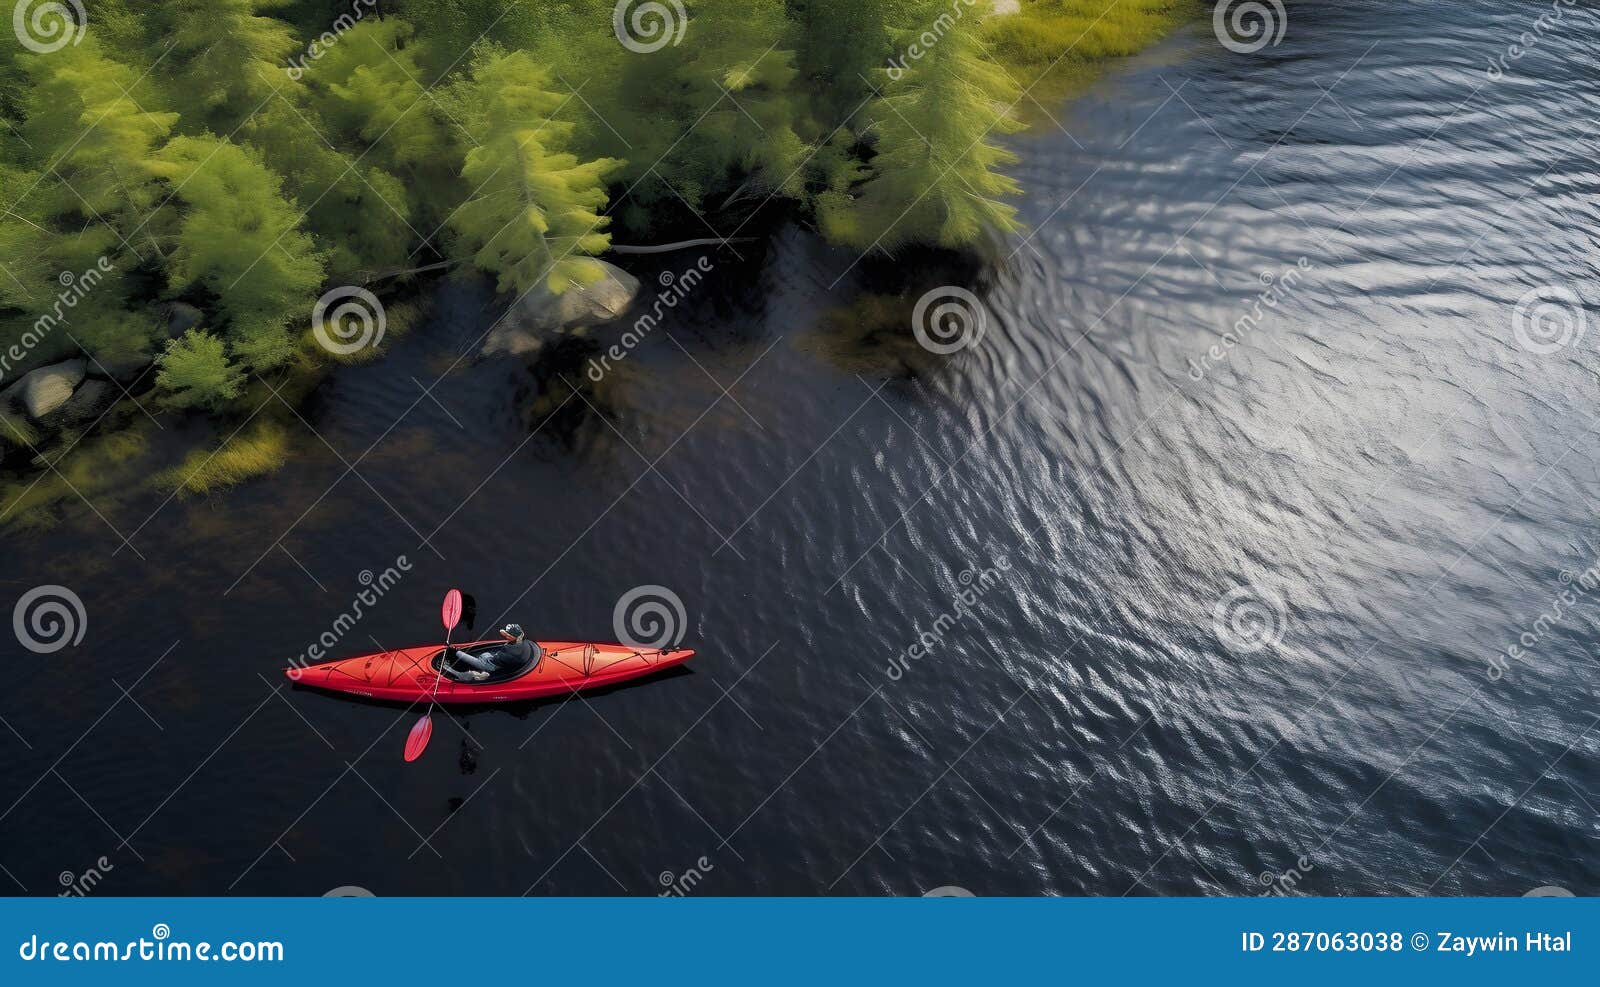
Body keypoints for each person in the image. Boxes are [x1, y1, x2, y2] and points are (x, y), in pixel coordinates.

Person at [447, 624, 538, 682]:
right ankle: (456, 653)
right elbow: (503, 633)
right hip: (498, 660)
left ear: (514, 637)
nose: (505, 635)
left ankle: (455, 653)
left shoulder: (509, 653)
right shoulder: (523, 640)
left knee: (477, 660)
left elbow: (495, 660)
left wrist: (456, 652)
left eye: (508, 635)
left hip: (491, 666)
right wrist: (506, 633)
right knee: (484, 655)